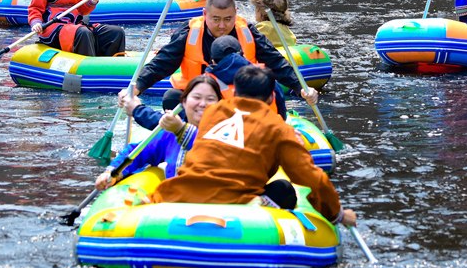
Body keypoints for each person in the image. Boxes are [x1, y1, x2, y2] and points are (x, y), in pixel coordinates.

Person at [152, 65, 357, 227]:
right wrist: (336, 214)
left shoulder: (213, 113)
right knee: (284, 190)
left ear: (235, 92)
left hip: (178, 195)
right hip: (235, 204)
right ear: (271, 97)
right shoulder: (278, 127)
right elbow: (310, 176)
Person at [127, 0, 318, 110]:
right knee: (171, 98)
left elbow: (276, 62)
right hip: (203, 100)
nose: (221, 26)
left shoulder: (248, 31)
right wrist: (137, 86)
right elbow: (162, 63)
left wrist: (301, 87)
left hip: (239, 101)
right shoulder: (188, 32)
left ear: (235, 13)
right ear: (205, 14)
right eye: (215, 19)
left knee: (273, 92)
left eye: (228, 19)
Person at [95, 75, 222, 189]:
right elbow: (138, 152)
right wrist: (111, 173)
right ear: (183, 102)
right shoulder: (170, 136)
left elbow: (208, 150)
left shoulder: (228, 134)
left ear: (220, 105)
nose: (203, 104)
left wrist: (180, 129)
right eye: (196, 97)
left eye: (210, 99)